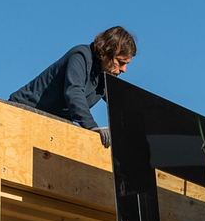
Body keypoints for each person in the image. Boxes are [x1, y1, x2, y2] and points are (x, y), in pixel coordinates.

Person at [8, 26, 136, 139]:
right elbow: (74, 92)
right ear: (105, 52)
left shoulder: (105, 75)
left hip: (53, 123)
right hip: (22, 112)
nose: (123, 70)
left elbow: (122, 104)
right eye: (120, 62)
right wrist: (92, 127)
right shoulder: (80, 56)